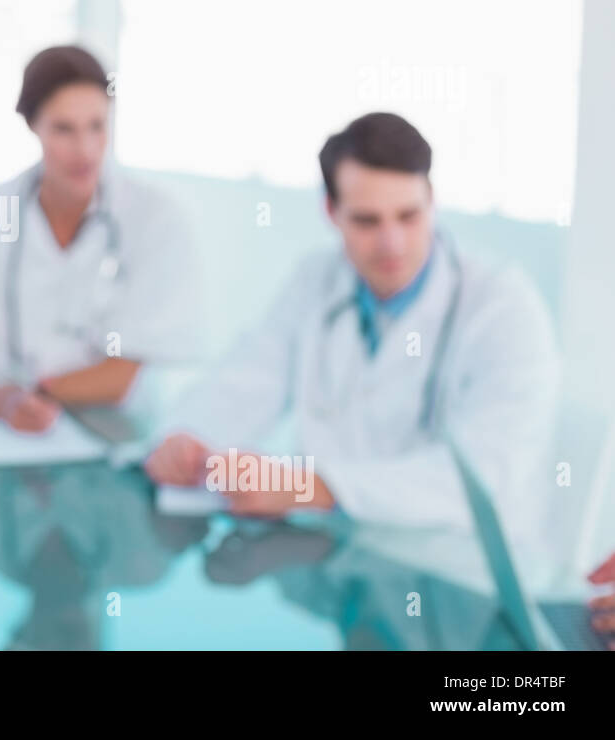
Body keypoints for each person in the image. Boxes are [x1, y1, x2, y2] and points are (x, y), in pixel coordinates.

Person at [144, 112, 559, 539]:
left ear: (432, 199)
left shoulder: (502, 307)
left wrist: (312, 487)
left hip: (457, 564)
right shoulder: (316, 280)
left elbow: (486, 476)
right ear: (331, 210)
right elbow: (247, 378)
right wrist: (188, 438)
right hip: (334, 556)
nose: (391, 243)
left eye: (408, 216)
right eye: (367, 220)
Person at [0, 44, 203, 432]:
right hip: (2, 437)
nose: (84, 150)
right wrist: (1, 403)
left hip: (118, 442)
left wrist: (30, 394)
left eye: (97, 126)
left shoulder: (156, 219)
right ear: (34, 125)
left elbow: (121, 377)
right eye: (64, 129)